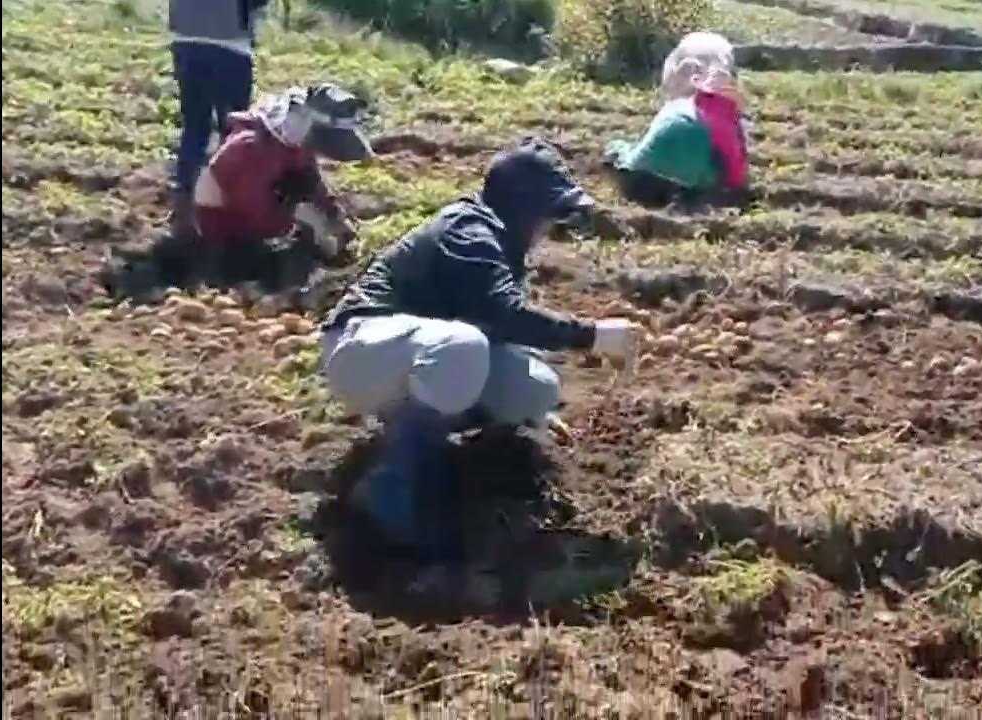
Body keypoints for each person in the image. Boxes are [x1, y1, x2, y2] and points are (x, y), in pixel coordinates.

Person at [319, 137, 641, 554]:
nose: (548, 228)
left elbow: (504, 330)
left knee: (533, 388)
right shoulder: (469, 232)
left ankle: (447, 457)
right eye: (547, 214)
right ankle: (390, 484)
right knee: (464, 346)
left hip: (414, 357)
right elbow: (503, 315)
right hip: (361, 351)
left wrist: (537, 410)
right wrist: (593, 336)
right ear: (523, 208)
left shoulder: (499, 240)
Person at [100, 83, 369, 302]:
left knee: (305, 244)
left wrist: (335, 216)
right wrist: (304, 221)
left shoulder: (294, 145)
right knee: (290, 262)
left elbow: (311, 182)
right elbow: (256, 215)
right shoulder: (250, 149)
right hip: (223, 237)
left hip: (258, 221)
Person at [605, 32, 751, 208]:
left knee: (622, 155)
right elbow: (736, 170)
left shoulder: (677, 111)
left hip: (644, 179)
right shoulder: (729, 118)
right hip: (706, 188)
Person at [168, 0, 270, 240]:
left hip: (186, 39)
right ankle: (226, 207)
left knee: (195, 127)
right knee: (235, 131)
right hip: (231, 44)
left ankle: (183, 208)